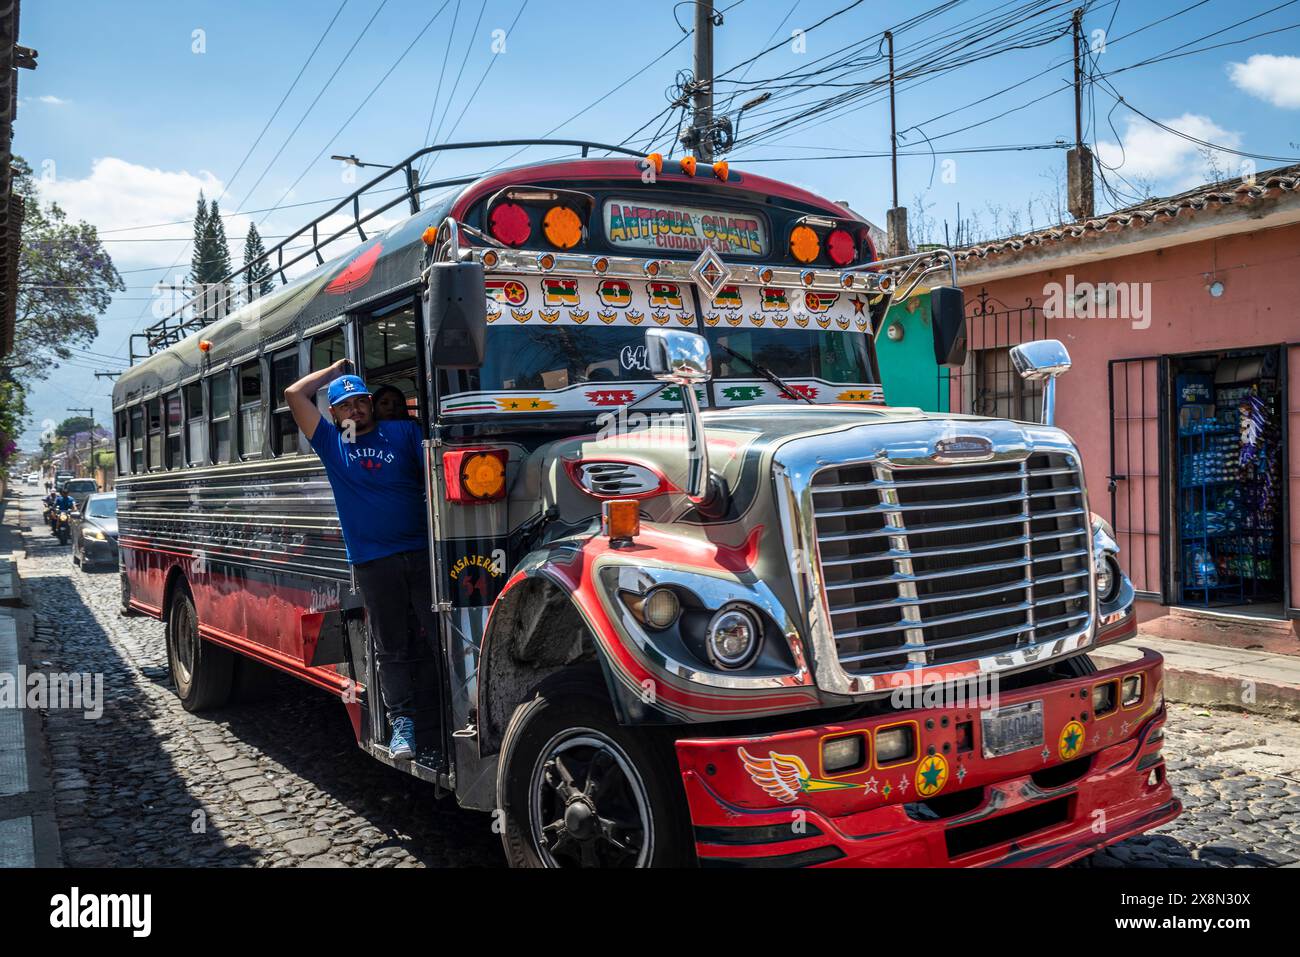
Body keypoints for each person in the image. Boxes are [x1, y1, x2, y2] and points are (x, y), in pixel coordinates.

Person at [285, 358, 437, 761]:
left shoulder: (402, 432)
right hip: (374, 561)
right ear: (333, 412)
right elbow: (293, 394)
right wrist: (332, 372)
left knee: (440, 635)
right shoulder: (332, 443)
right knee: (392, 645)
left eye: (361, 401)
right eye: (346, 404)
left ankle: (453, 712)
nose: (355, 409)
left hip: (423, 553)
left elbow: (434, 476)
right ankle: (403, 724)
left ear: (371, 404)